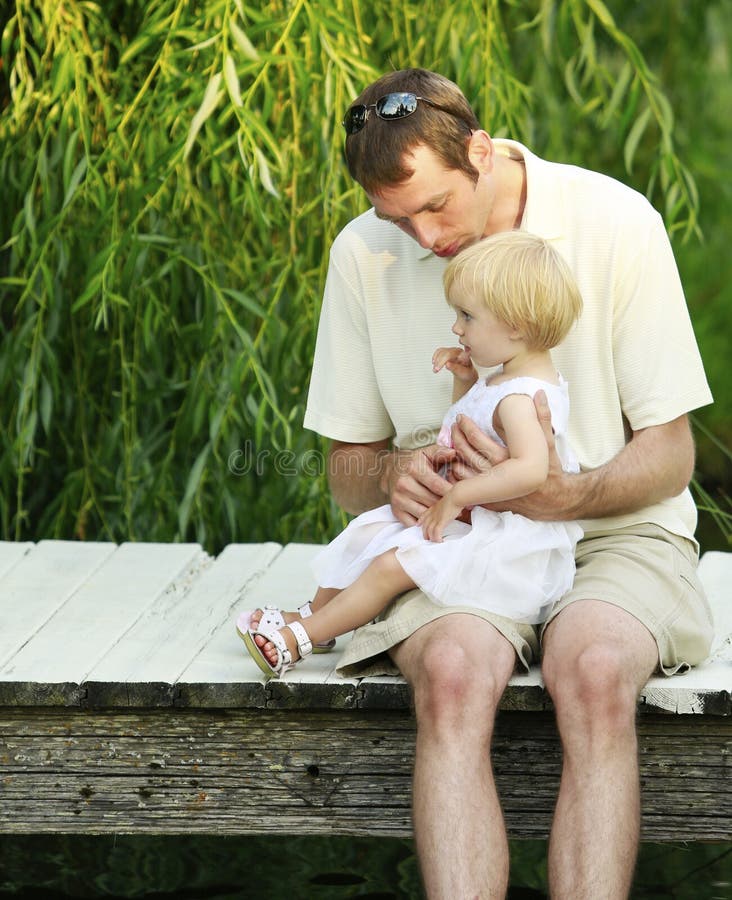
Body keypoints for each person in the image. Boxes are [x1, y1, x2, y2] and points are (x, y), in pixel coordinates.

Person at [263, 69, 714, 898]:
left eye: (436, 206)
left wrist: (566, 497)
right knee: (457, 675)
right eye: (397, 217)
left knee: (596, 666)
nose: (424, 236)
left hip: (614, 527)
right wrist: (397, 475)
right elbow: (346, 469)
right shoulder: (364, 250)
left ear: (479, 150)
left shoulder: (614, 222)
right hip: (458, 534)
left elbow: (671, 454)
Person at [241, 232, 584, 678]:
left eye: (467, 316)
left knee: (391, 565)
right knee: (368, 531)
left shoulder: (520, 398)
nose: (457, 328)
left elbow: (532, 470)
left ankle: (295, 642)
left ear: (516, 325)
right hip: (480, 522)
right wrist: (464, 382)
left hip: (505, 547)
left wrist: (458, 497)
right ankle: (315, 620)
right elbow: (472, 427)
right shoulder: (504, 378)